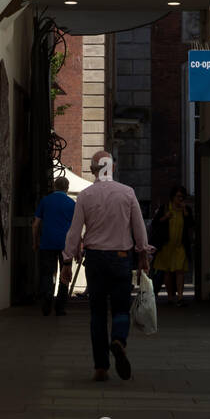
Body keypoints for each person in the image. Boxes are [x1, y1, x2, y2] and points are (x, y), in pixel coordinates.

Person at [61, 151, 150, 382]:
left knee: (98, 313)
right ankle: (119, 340)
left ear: (92, 170)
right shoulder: (127, 193)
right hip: (121, 257)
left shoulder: (85, 196)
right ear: (113, 167)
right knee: (121, 308)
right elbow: (139, 228)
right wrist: (142, 254)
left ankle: (101, 367)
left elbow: (74, 231)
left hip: (95, 259)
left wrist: (67, 261)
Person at [33, 175, 75, 317]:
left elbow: (36, 224)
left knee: (47, 272)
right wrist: (78, 247)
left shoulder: (45, 201)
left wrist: (35, 241)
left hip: (47, 243)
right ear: (67, 188)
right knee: (65, 274)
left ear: (54, 187)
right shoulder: (72, 203)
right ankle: (60, 307)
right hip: (65, 245)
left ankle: (47, 296)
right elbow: (76, 228)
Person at [150, 185, 194, 305]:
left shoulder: (186, 209)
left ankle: (180, 296)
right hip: (166, 245)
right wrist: (165, 217)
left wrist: (185, 212)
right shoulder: (165, 208)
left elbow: (191, 224)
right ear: (173, 197)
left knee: (180, 271)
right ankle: (170, 297)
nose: (180, 199)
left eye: (182, 197)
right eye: (178, 196)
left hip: (180, 245)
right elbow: (155, 223)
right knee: (167, 271)